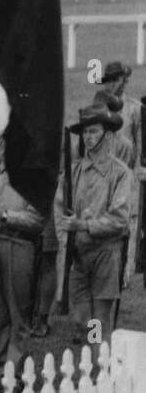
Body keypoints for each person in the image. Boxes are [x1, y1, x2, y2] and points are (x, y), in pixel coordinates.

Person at [57, 102, 133, 346]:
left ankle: (100, 364)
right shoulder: (74, 171)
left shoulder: (120, 173)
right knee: (80, 318)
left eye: (94, 131)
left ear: (107, 134)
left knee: (100, 318)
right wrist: (66, 236)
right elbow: (60, 210)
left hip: (106, 252)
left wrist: (85, 225)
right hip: (78, 255)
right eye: (85, 132)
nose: (89, 138)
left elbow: (120, 219)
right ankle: (94, 352)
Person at [0, 125, 44, 370]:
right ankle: (3, 360)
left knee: (18, 311)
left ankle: (14, 368)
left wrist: (3, 215)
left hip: (19, 244)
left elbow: (37, 220)